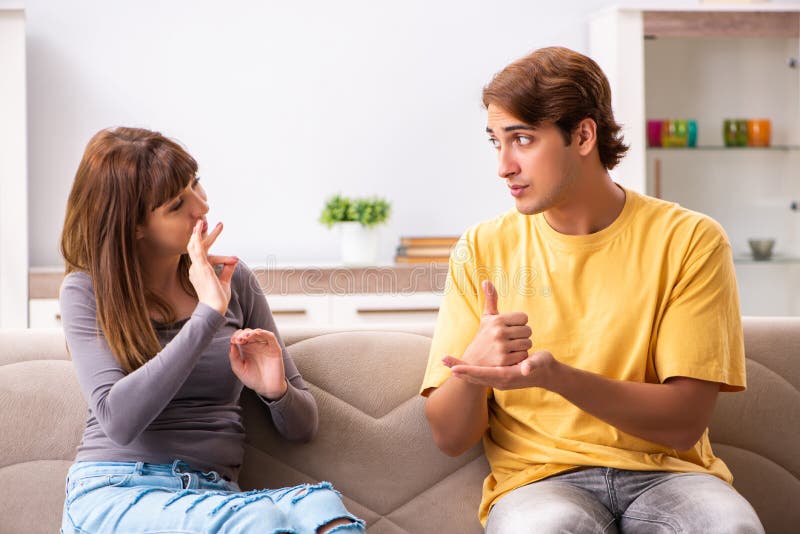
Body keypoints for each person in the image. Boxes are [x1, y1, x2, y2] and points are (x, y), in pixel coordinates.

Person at [420, 47, 764, 533]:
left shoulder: (689, 240)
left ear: (583, 135)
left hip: (670, 477)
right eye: (496, 141)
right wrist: (475, 370)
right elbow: (450, 437)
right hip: (540, 484)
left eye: (522, 139)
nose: (504, 165)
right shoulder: (481, 248)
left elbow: (685, 420)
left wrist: (558, 377)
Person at [59, 127, 365, 534]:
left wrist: (276, 392)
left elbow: (303, 428)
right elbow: (118, 419)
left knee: (325, 512)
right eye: (176, 204)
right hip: (116, 490)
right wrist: (207, 316)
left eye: (195, 183)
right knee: (259, 520)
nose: (202, 205)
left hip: (214, 494)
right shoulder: (86, 291)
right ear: (134, 227)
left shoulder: (235, 281)